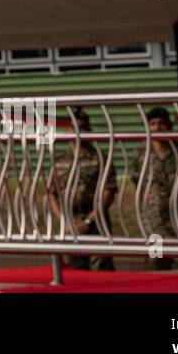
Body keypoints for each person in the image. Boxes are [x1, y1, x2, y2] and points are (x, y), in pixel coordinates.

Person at [130, 106, 178, 270]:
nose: (157, 128)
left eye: (162, 123)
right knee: (157, 270)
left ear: (169, 126)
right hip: (154, 224)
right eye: (153, 124)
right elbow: (136, 183)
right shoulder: (141, 154)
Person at [48, 108, 116, 271]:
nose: (78, 132)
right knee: (73, 275)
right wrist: (64, 221)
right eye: (73, 127)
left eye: (82, 128)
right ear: (67, 130)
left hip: (95, 225)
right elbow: (51, 193)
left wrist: (88, 221)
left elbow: (108, 192)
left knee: (101, 275)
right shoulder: (59, 159)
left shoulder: (100, 158)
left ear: (89, 131)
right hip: (69, 226)